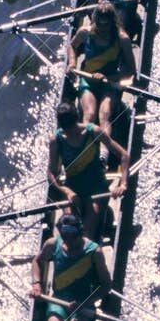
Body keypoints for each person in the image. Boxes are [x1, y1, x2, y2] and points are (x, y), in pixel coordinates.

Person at [48, 100, 129, 237]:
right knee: (68, 228)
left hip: (96, 187)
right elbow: (51, 173)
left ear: (76, 120)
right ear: (62, 126)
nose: (71, 133)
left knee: (86, 232)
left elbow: (124, 155)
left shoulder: (93, 131)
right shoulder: (56, 140)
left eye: (73, 128)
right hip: (72, 188)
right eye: (67, 130)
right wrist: (65, 190)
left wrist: (123, 183)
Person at [67, 0, 136, 132]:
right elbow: (72, 45)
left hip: (110, 82)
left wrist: (107, 77)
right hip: (87, 79)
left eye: (106, 25)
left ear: (112, 22)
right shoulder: (84, 32)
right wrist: (72, 62)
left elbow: (131, 70)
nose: (102, 28)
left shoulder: (122, 39)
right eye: (99, 23)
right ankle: (87, 146)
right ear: (94, 19)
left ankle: (104, 153)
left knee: (104, 116)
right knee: (89, 115)